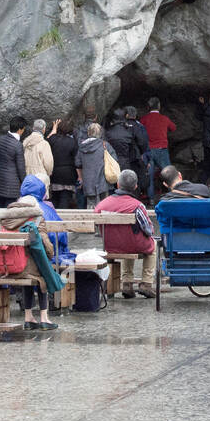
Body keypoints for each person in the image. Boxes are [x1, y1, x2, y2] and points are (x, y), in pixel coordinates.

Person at [0, 199, 63, 329]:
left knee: (29, 272)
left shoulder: (5, 218)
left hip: (9, 267)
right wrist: (51, 253)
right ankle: (44, 318)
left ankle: (28, 317)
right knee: (42, 273)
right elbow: (45, 243)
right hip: (26, 266)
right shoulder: (36, 218)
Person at [95, 170, 157, 298]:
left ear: (118, 184)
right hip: (134, 245)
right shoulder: (137, 206)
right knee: (153, 245)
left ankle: (127, 283)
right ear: (135, 186)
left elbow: (96, 221)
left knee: (127, 243)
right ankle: (146, 283)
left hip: (110, 246)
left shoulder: (102, 204)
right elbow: (148, 229)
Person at [0, 117, 27, 208]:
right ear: (20, 130)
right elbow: (21, 168)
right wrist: (24, 183)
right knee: (9, 214)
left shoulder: (0, 139)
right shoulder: (18, 145)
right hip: (11, 189)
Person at [139, 98, 176, 190]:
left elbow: (139, 132)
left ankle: (151, 199)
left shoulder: (144, 119)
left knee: (149, 175)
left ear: (148, 107)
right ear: (159, 106)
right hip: (161, 149)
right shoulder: (164, 119)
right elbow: (173, 128)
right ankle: (173, 194)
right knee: (169, 174)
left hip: (148, 151)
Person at [46, 119, 80, 209]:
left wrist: (54, 128)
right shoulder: (73, 142)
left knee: (55, 199)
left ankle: (53, 219)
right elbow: (76, 161)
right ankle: (61, 220)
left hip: (55, 173)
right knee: (65, 199)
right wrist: (80, 176)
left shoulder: (52, 140)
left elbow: (48, 139)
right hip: (69, 174)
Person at [75, 122, 112, 204]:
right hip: (103, 180)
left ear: (88, 133)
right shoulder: (105, 145)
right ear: (100, 133)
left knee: (91, 204)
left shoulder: (82, 146)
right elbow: (114, 160)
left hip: (88, 181)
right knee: (105, 205)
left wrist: (80, 177)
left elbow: (77, 163)